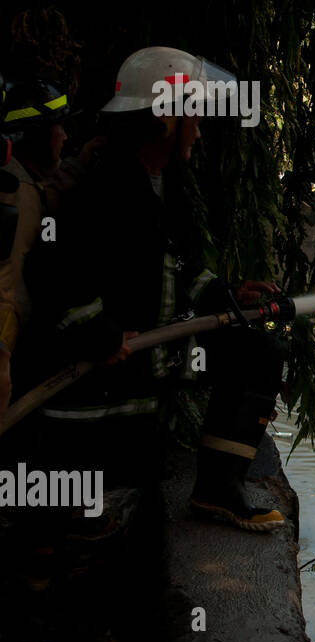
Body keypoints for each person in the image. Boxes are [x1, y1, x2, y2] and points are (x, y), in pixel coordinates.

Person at [26, 47, 288, 531]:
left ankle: (217, 491)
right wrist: (97, 331)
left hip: (149, 360)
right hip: (100, 384)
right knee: (95, 521)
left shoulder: (164, 183)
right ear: (165, 119)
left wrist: (230, 297)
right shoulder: (105, 187)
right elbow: (51, 271)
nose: (200, 128)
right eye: (194, 114)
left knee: (257, 351)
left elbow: (183, 268)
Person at [0, 77, 100, 419]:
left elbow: (51, 190)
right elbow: (7, 289)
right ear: (37, 133)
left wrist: (82, 162)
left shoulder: (24, 181)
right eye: (60, 127)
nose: (66, 136)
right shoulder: (14, 193)